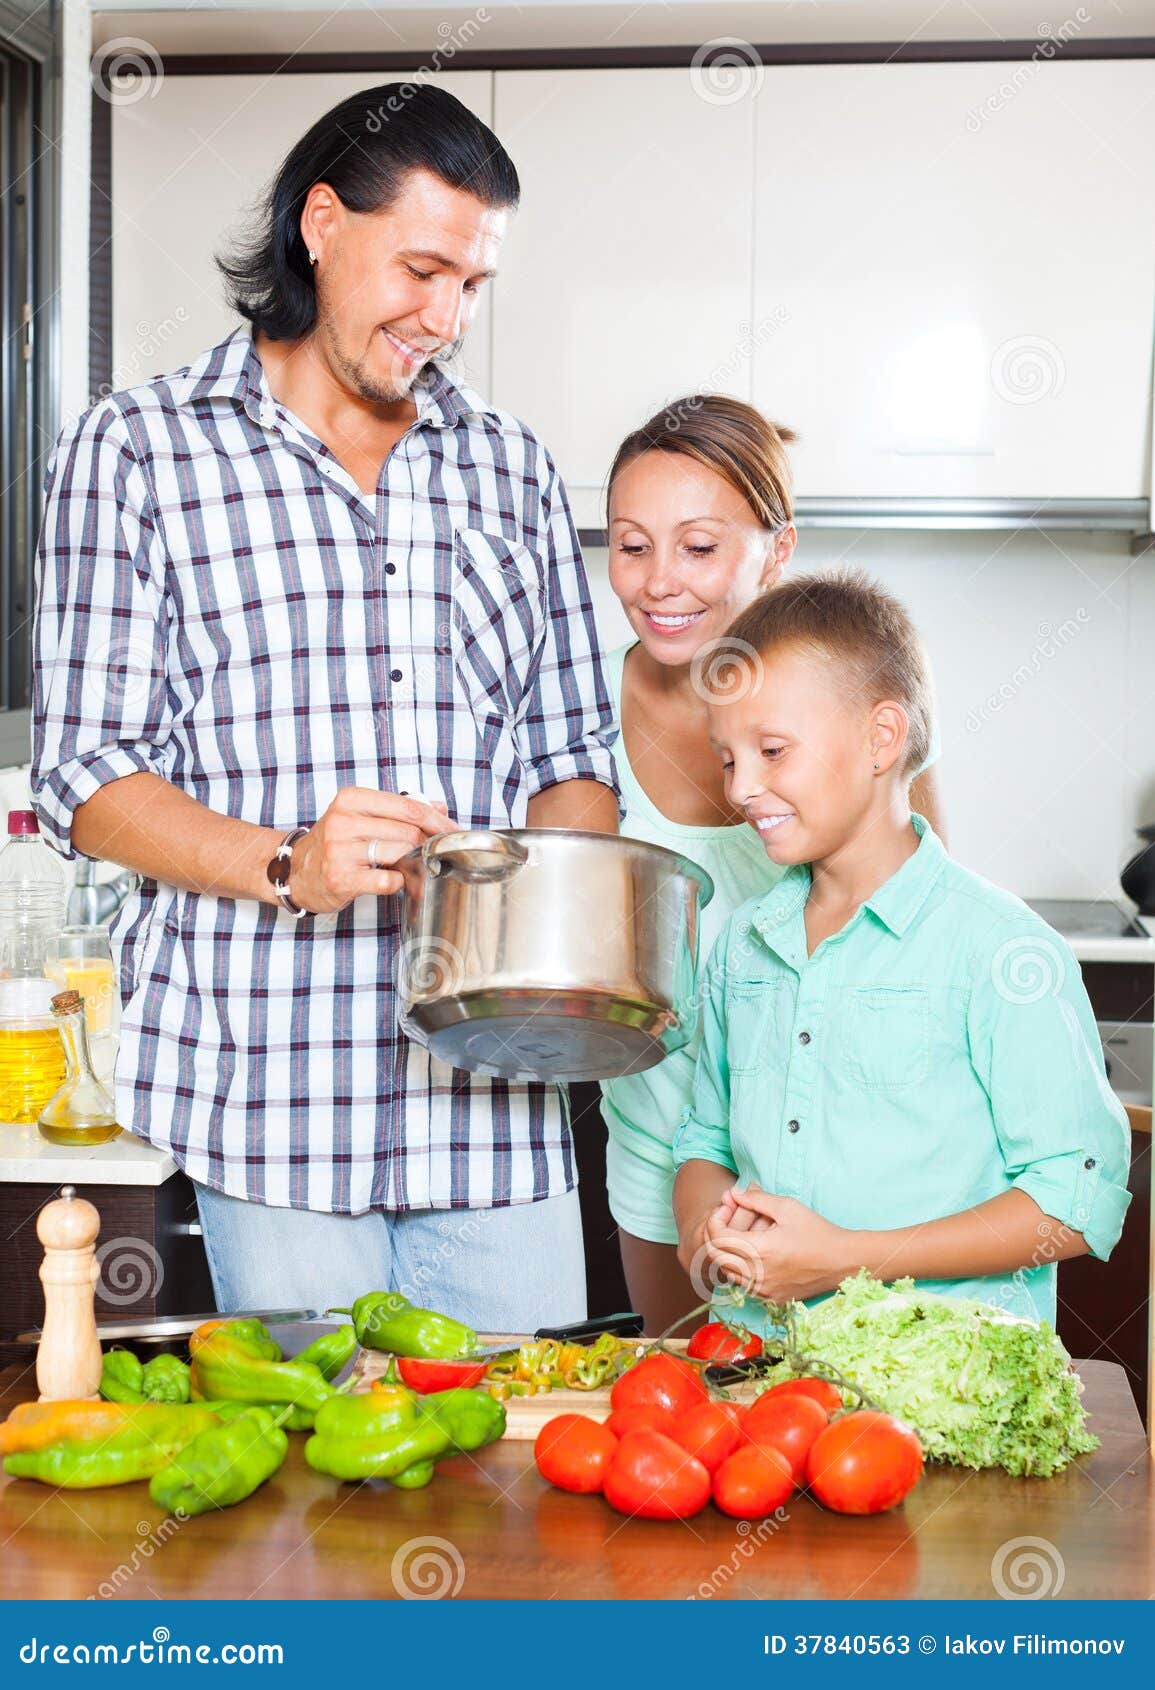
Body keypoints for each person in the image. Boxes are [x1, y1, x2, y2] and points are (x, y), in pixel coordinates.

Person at [31, 84, 618, 1328]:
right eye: (420, 268)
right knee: (318, 1495)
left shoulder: (510, 468)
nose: (444, 317)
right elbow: (84, 774)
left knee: (524, 1496)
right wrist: (288, 862)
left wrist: (541, 924)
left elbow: (573, 750)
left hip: (494, 1103)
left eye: (473, 284)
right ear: (320, 222)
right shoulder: (137, 449)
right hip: (267, 1098)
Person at [673, 571, 1131, 1327]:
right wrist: (704, 1234)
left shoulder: (999, 949)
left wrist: (850, 1256)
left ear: (880, 738)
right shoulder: (741, 947)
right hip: (761, 1375)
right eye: (727, 759)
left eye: (772, 750)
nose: (742, 787)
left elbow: (1073, 1206)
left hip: (940, 1392)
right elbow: (702, 1142)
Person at [599, 396, 945, 1332]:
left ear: (776, 548)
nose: (660, 580)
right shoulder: (575, 705)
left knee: (848, 1436)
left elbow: (924, 927)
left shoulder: (851, 705)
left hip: (847, 1159)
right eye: (632, 546)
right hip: (669, 1154)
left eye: (699, 547)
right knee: (696, 1422)